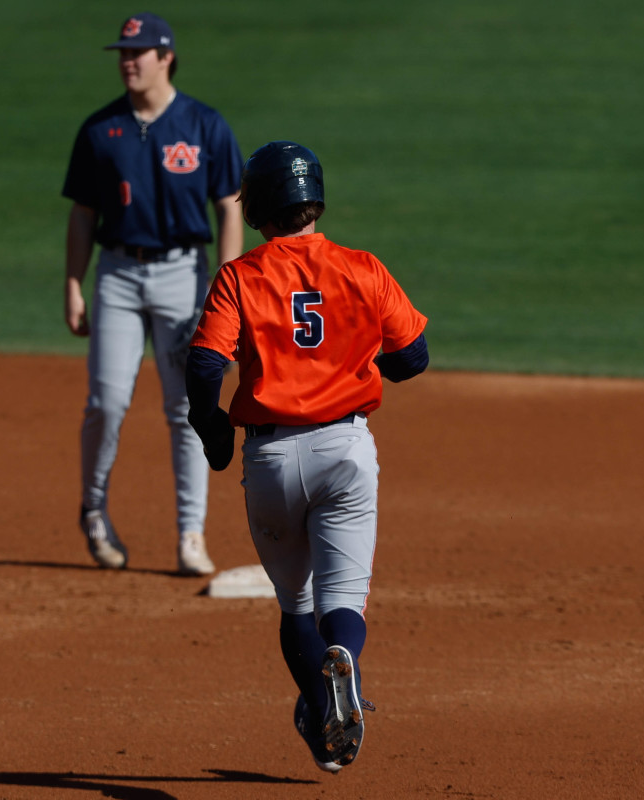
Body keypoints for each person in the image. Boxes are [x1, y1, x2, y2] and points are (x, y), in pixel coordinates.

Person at [184, 141, 429, 770]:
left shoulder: (240, 275)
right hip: (346, 450)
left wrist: (211, 428)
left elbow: (205, 364)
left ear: (259, 205)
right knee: (341, 599)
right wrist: (356, 363)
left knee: (295, 602)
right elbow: (412, 358)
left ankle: (322, 715)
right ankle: (344, 660)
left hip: (270, 460)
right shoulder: (363, 267)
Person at [62, 12, 244, 575]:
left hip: (184, 276)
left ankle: (191, 534)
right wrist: (73, 284)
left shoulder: (204, 124)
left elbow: (229, 206)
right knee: (107, 402)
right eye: (122, 52)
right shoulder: (100, 129)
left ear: (166, 57)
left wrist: (225, 285)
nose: (127, 61)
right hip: (117, 274)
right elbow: (83, 214)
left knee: (188, 407)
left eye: (137, 52)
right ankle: (94, 509)